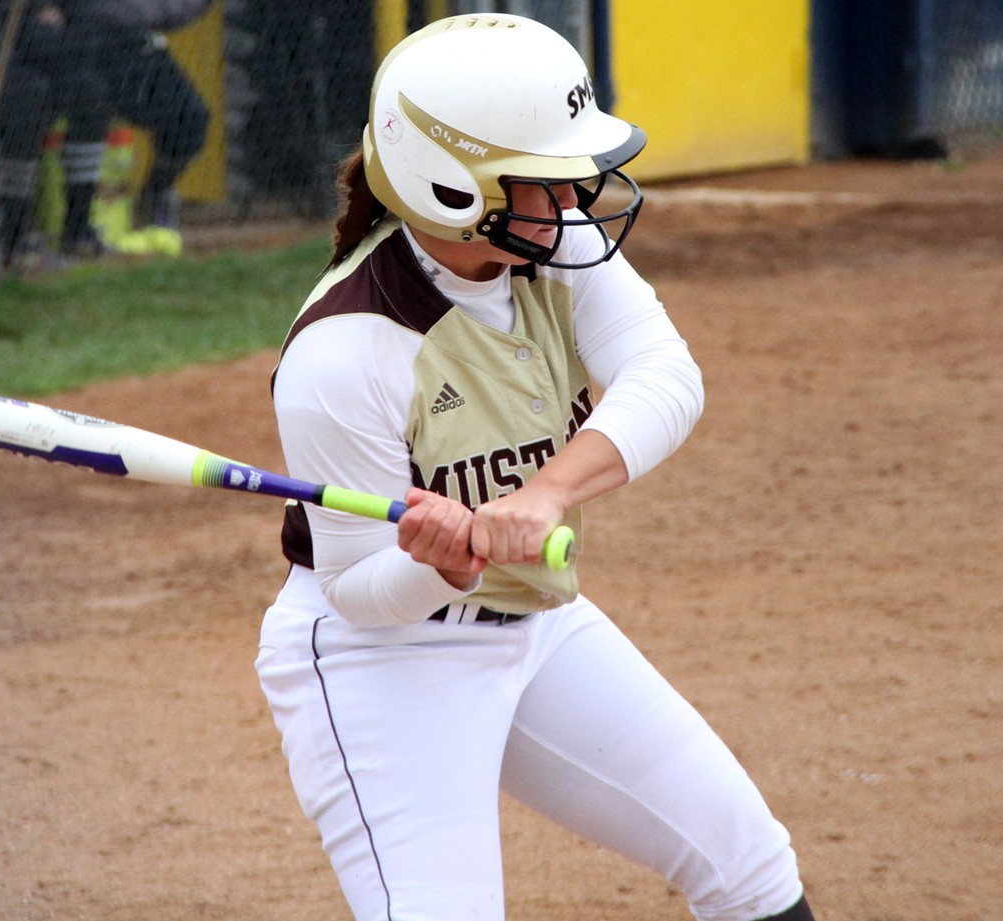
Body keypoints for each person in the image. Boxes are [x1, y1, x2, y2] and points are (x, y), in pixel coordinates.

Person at [256, 15, 816, 921]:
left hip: (539, 621)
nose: (573, 198)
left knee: (749, 866)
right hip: (381, 660)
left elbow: (666, 376)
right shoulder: (345, 351)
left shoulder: (553, 246)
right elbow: (357, 587)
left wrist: (545, 493)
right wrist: (438, 564)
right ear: (452, 190)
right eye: (543, 177)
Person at [0, 0, 211, 263]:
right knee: (45, 95)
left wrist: (146, 14)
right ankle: (18, 236)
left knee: (190, 116)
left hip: (116, 35)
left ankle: (154, 195)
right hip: (57, 32)